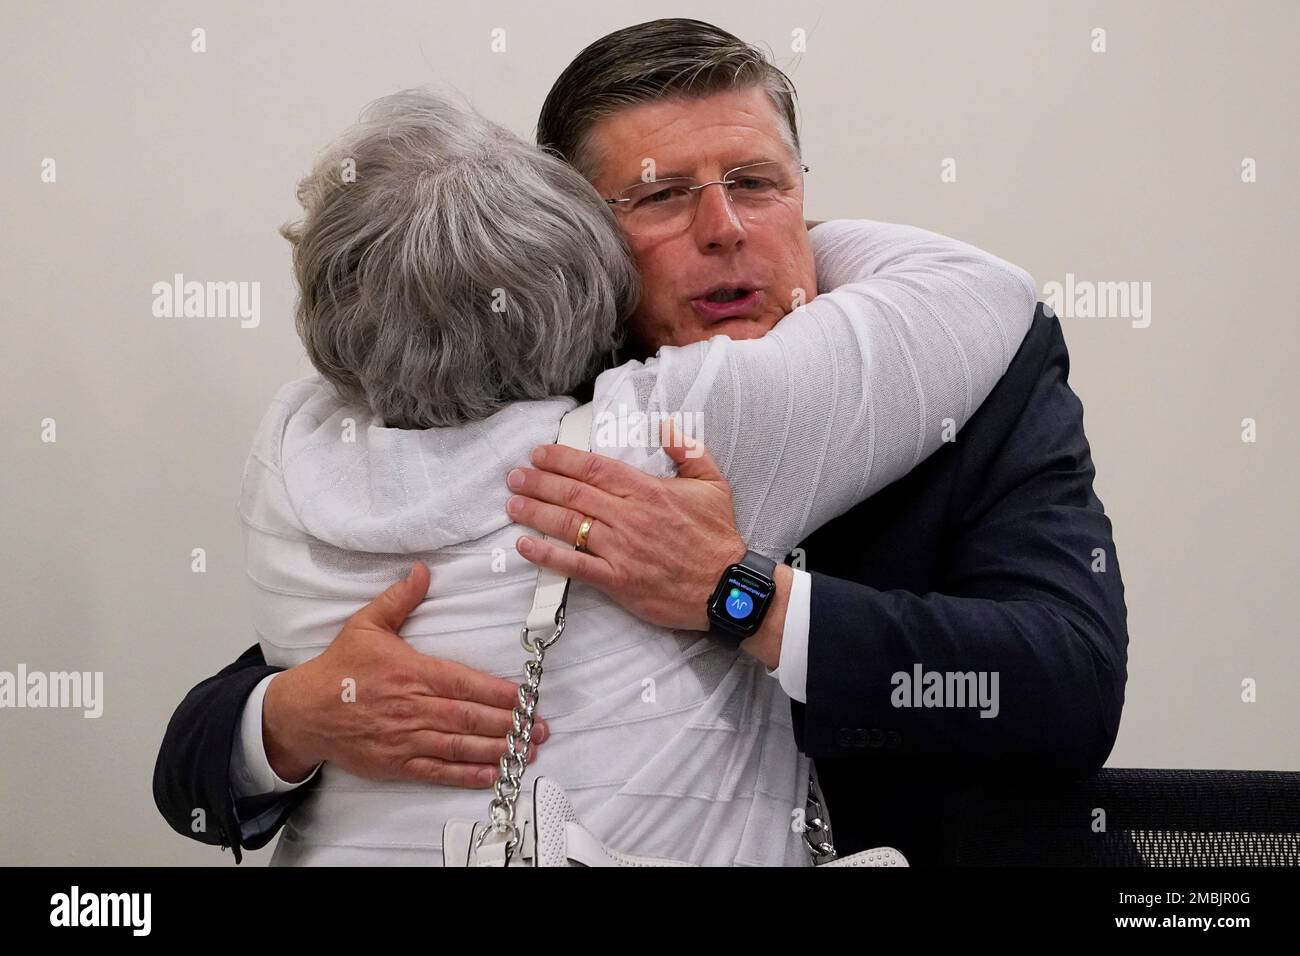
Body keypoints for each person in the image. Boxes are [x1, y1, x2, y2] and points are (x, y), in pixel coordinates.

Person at [154, 18, 1125, 867]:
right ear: (576, 238)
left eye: (757, 183)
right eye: (659, 196)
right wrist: (277, 722)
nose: (725, 228)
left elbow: (1067, 690)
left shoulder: (962, 381)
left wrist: (749, 598)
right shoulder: (529, 385)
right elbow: (254, 707)